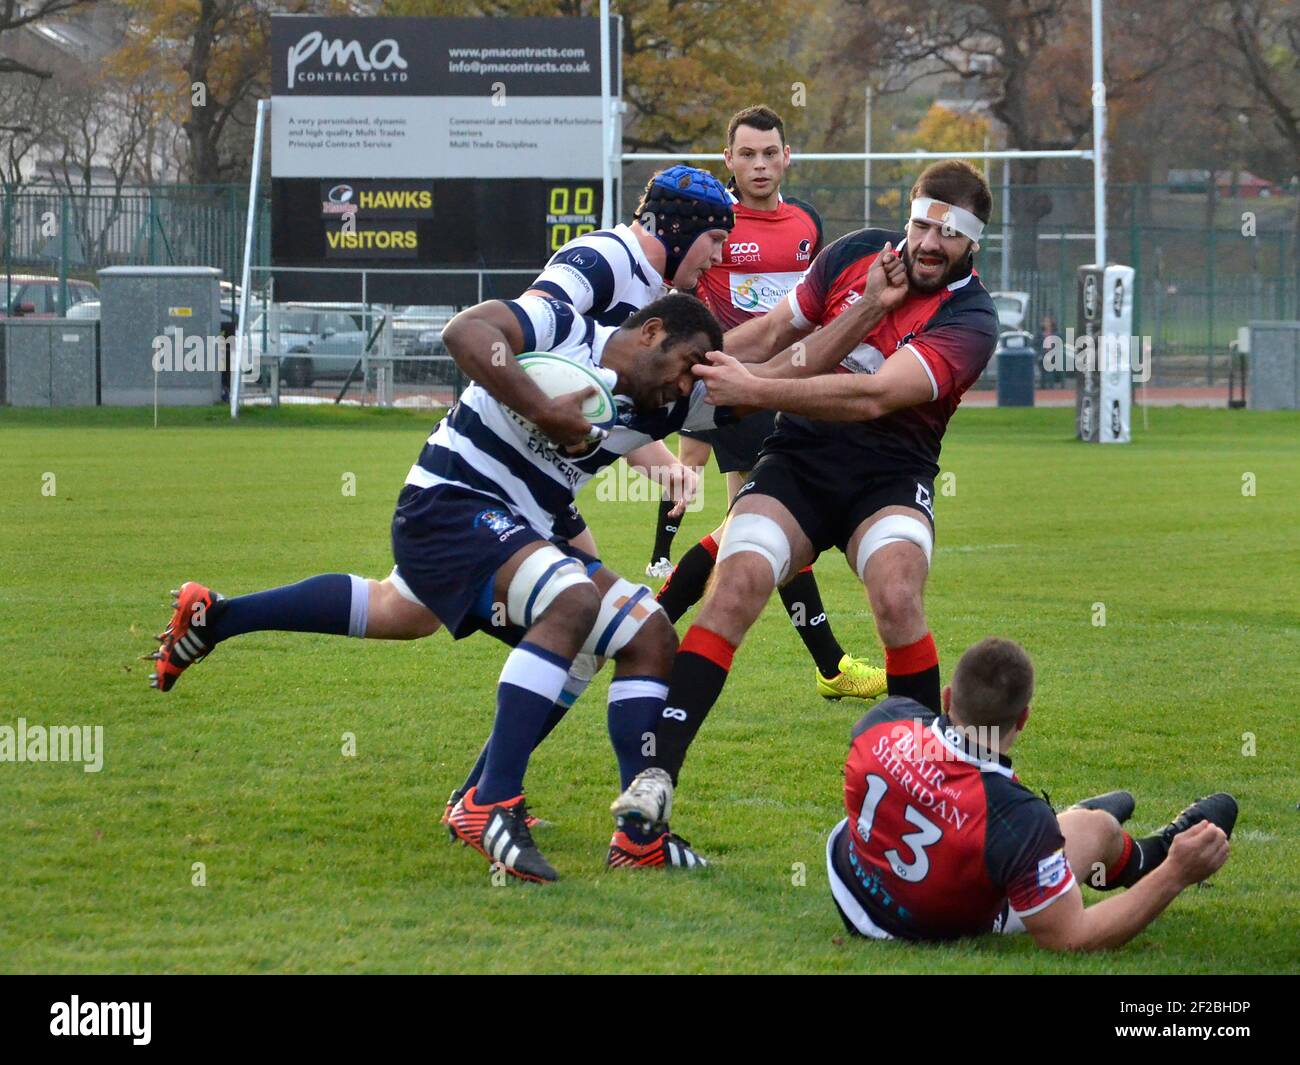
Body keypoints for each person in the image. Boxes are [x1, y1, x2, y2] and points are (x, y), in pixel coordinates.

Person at [150, 292, 731, 881]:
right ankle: (489, 800)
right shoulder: (573, 306)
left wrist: (812, 333)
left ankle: (637, 838)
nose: (689, 383)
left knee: (647, 635)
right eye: (710, 242)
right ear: (652, 330)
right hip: (451, 504)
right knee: (569, 601)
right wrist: (546, 411)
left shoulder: (666, 394)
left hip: (520, 522)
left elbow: (757, 352)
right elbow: (467, 331)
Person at [611, 160, 1002, 855]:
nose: (931, 243)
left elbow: (875, 394)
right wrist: (676, 367)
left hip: (888, 476)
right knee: (736, 584)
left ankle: (926, 785)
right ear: (907, 216)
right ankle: (654, 782)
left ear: (974, 244)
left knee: (897, 593)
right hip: (798, 464)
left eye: (951, 234)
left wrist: (755, 392)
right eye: (922, 224)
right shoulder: (854, 254)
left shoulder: (972, 319)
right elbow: (768, 334)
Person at [647, 105, 885, 703]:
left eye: (769, 153)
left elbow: (821, 302)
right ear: (727, 160)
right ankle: (829, 664)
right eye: (746, 154)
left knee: (749, 529)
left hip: (792, 389)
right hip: (731, 385)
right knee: (766, 521)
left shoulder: (807, 222)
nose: (759, 164)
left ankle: (645, 625)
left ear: (787, 158)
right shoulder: (712, 221)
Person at [827, 637, 1236, 948]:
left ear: (948, 697)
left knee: (1071, 829)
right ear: (1023, 719)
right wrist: (1177, 874)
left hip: (851, 883)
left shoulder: (883, 718)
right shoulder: (1015, 817)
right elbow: (1072, 937)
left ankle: (1096, 840)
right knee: (1095, 830)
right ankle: (1152, 858)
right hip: (928, 925)